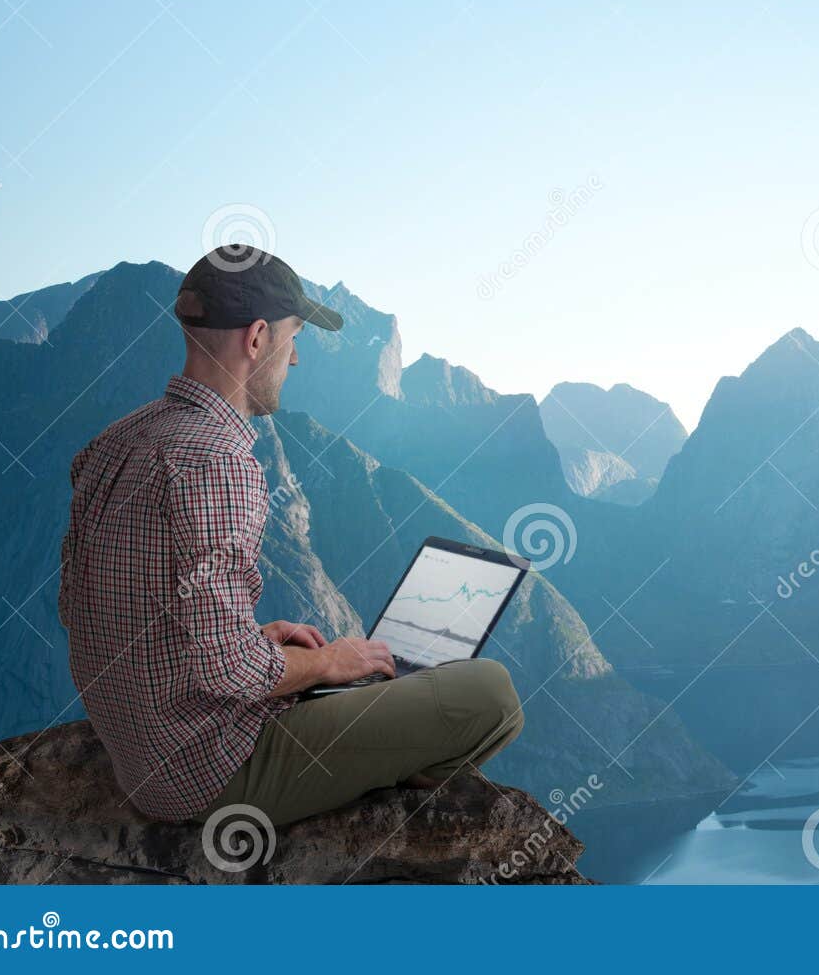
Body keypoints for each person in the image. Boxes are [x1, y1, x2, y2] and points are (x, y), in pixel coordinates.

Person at [57, 246, 523, 827]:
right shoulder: (219, 463)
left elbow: (83, 609)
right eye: (293, 336)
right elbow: (227, 672)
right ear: (257, 339)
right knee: (491, 694)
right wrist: (326, 663)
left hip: (141, 753)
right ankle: (396, 773)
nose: (296, 358)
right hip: (208, 774)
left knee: (344, 673)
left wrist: (252, 640)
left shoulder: (117, 440)